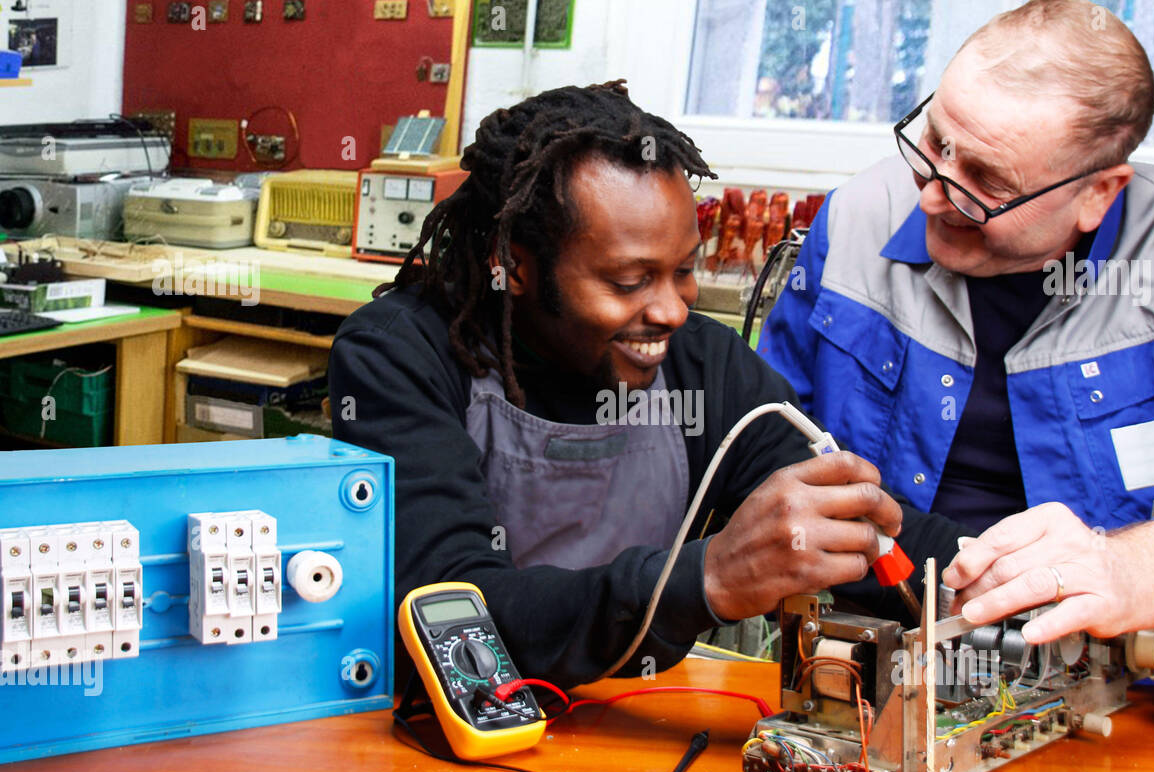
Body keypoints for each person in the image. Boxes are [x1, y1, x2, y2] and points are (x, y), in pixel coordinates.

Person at [760, 0, 1154, 736]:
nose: (929, 193)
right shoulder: (855, 218)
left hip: (1117, 696)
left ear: (1098, 192)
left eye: (982, 178)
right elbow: (768, 434)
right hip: (870, 672)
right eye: (935, 141)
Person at [329, 81, 965, 690]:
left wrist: (985, 571)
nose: (673, 310)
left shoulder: (701, 365)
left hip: (635, 721)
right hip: (456, 737)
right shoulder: (401, 358)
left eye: (683, 270)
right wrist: (702, 580)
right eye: (630, 281)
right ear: (515, 267)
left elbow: (858, 523)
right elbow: (451, 618)